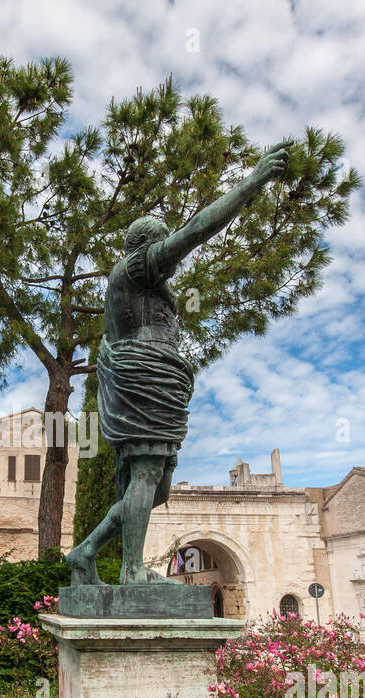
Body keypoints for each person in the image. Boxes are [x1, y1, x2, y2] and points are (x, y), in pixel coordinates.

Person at [65, 140, 293, 586]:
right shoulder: (136, 267)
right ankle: (132, 571)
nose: (169, 250)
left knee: (156, 487)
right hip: (144, 378)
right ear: (149, 244)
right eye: (162, 241)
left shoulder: (141, 281)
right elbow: (197, 230)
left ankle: (85, 551)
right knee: (147, 476)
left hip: (156, 380)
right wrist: (254, 181)